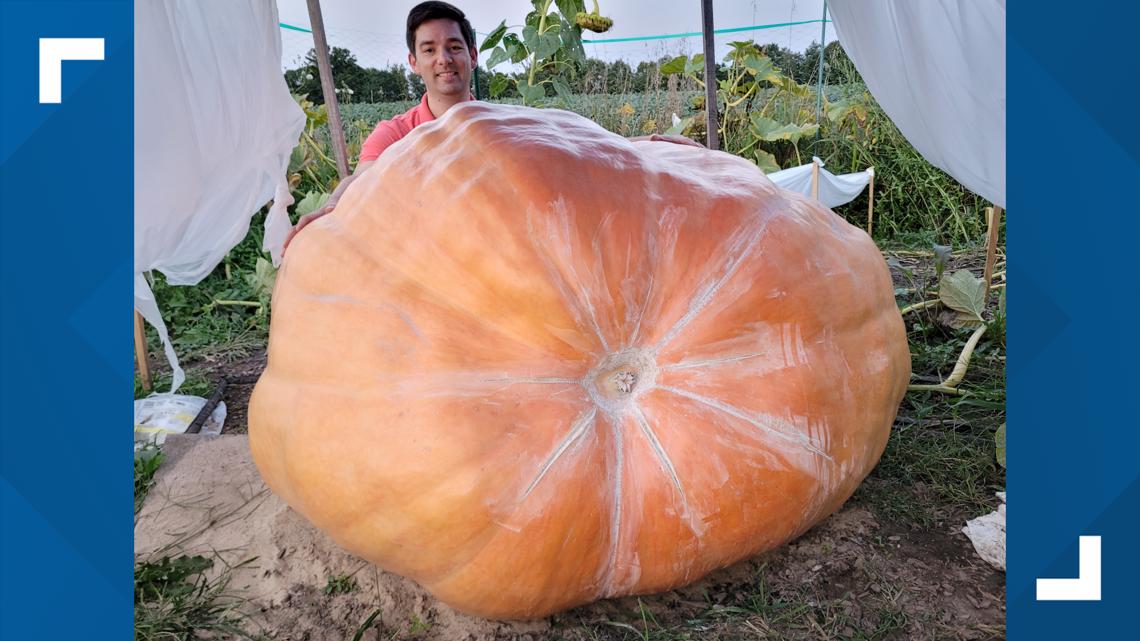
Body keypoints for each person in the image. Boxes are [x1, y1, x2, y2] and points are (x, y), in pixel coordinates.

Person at [284, 0, 701, 251]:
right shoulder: (394, 133)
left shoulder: (501, 125)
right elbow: (364, 180)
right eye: (429, 50)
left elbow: (573, 151)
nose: (443, 59)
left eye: (453, 47)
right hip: (427, 261)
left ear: (473, 55)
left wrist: (643, 143)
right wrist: (332, 206)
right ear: (414, 63)